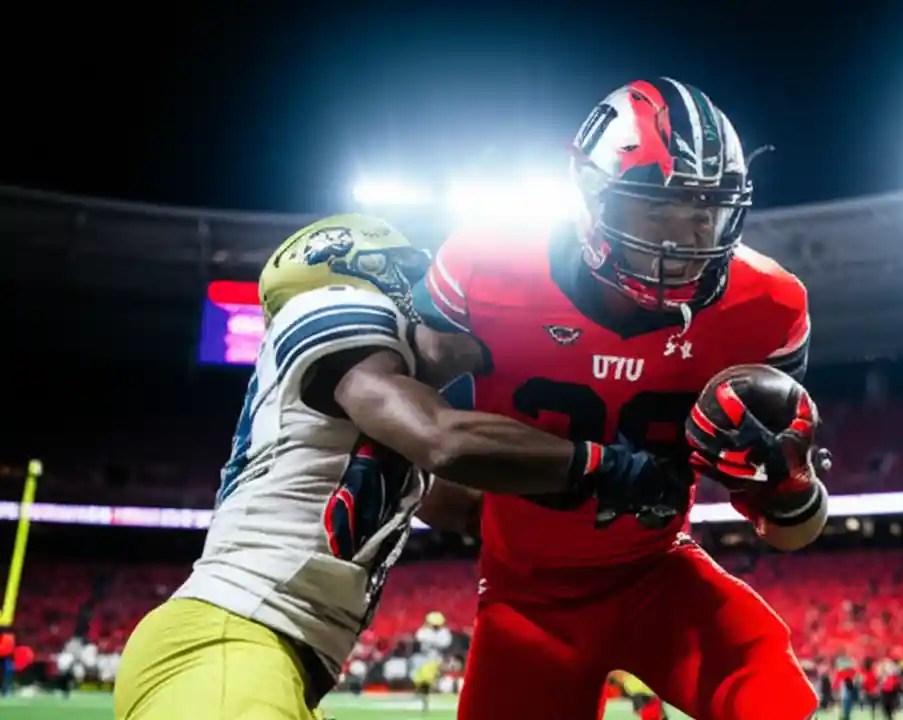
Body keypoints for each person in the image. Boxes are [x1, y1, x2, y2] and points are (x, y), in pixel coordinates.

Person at [113, 214, 680, 720]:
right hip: (227, 640)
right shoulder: (326, 307)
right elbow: (444, 438)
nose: (420, 294)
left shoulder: (362, 430)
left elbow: (473, 510)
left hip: (268, 658)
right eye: (405, 274)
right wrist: (604, 466)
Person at [414, 77, 830, 720]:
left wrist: (792, 483)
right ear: (589, 192)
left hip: (655, 571)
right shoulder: (490, 261)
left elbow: (788, 532)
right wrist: (450, 497)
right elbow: (413, 419)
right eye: (658, 205)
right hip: (528, 596)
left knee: (775, 699)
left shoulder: (766, 304)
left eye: (708, 207)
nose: (689, 236)